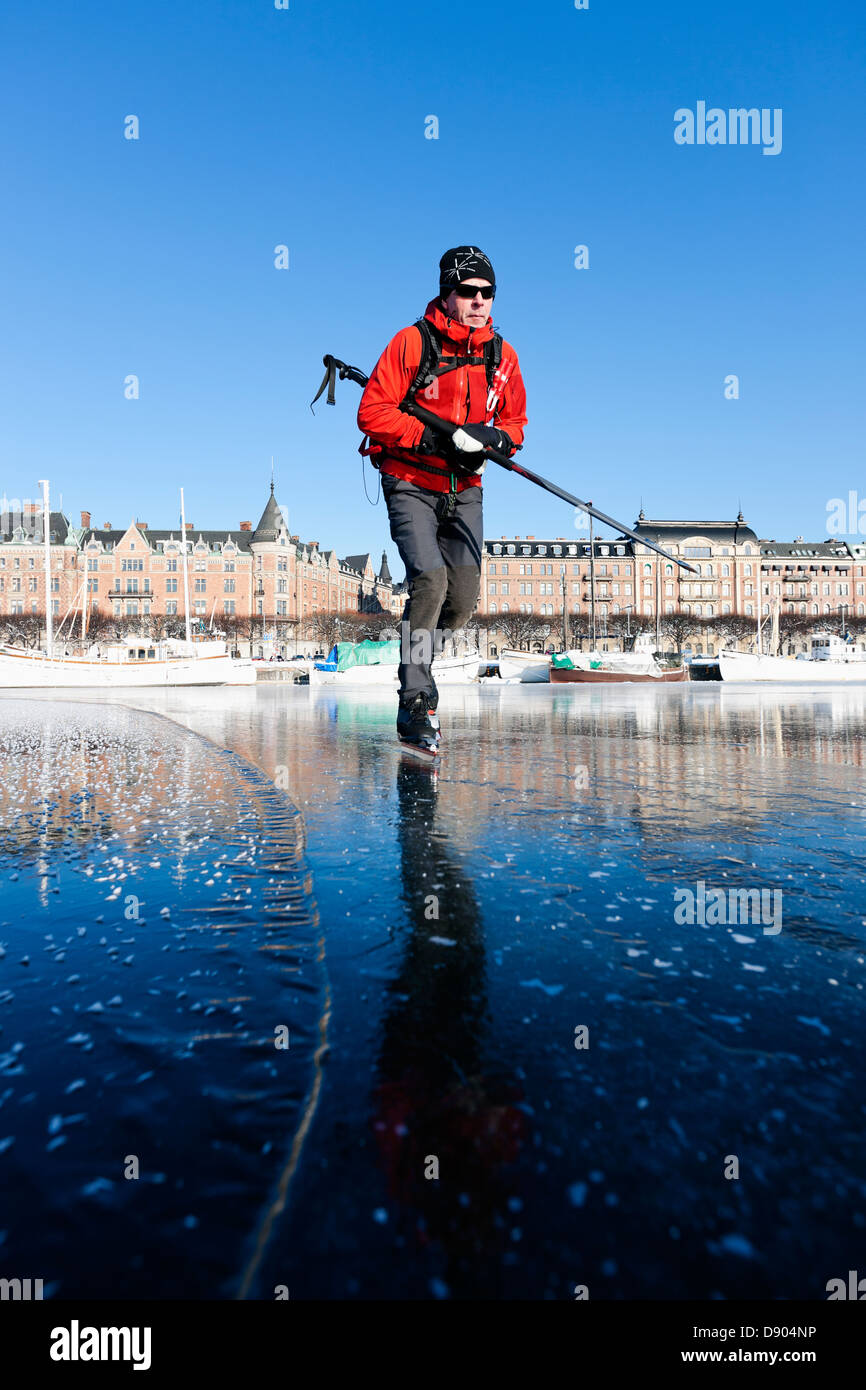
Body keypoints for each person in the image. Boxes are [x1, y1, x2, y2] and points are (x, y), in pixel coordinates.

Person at [358, 246, 527, 752]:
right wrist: (431, 439)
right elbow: (372, 412)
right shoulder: (412, 342)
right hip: (410, 481)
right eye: (467, 291)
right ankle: (414, 701)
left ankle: (420, 665)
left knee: (463, 598)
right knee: (429, 581)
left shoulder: (503, 355)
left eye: (487, 293)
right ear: (447, 294)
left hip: (465, 489)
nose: (479, 301)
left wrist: (494, 441)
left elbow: (515, 424)